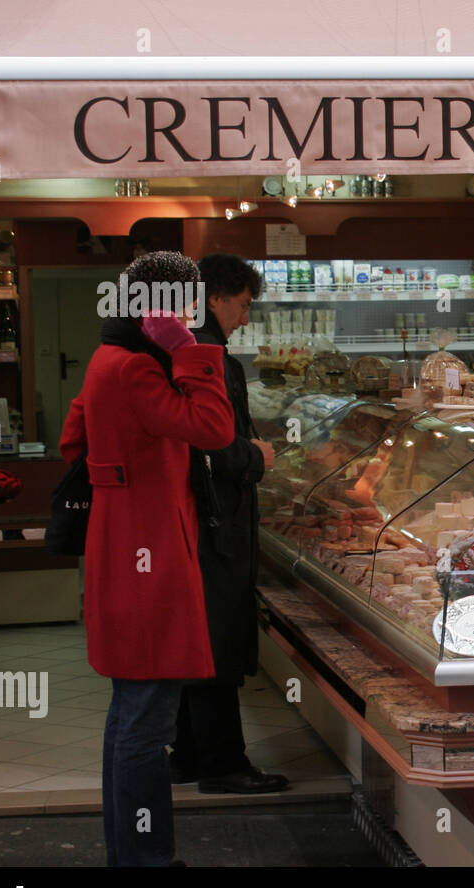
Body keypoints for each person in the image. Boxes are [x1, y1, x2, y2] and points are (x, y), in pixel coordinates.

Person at [60, 251, 234, 866]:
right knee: (146, 723)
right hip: (149, 551)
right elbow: (214, 428)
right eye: (187, 304)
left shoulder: (107, 359)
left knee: (129, 713)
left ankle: (130, 855)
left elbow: (70, 440)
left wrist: (118, 470)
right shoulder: (139, 367)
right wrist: (189, 351)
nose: (191, 315)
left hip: (121, 539)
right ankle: (145, 862)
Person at [168, 254, 288, 794]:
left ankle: (191, 752)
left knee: (197, 634)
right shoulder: (209, 359)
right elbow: (213, 448)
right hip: (215, 519)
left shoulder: (171, 349)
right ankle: (222, 763)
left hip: (189, 518)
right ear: (216, 297)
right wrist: (257, 457)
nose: (244, 318)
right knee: (216, 636)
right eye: (242, 305)